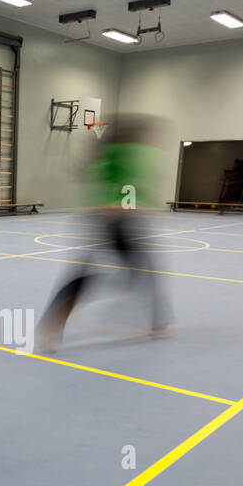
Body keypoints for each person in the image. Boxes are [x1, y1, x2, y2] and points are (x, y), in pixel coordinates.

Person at [33, 114, 173, 353]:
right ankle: (158, 323)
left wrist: (142, 204)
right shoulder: (128, 153)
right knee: (112, 274)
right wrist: (123, 207)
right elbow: (125, 188)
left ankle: (159, 323)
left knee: (133, 273)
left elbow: (120, 184)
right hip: (116, 222)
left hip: (105, 220)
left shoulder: (110, 154)